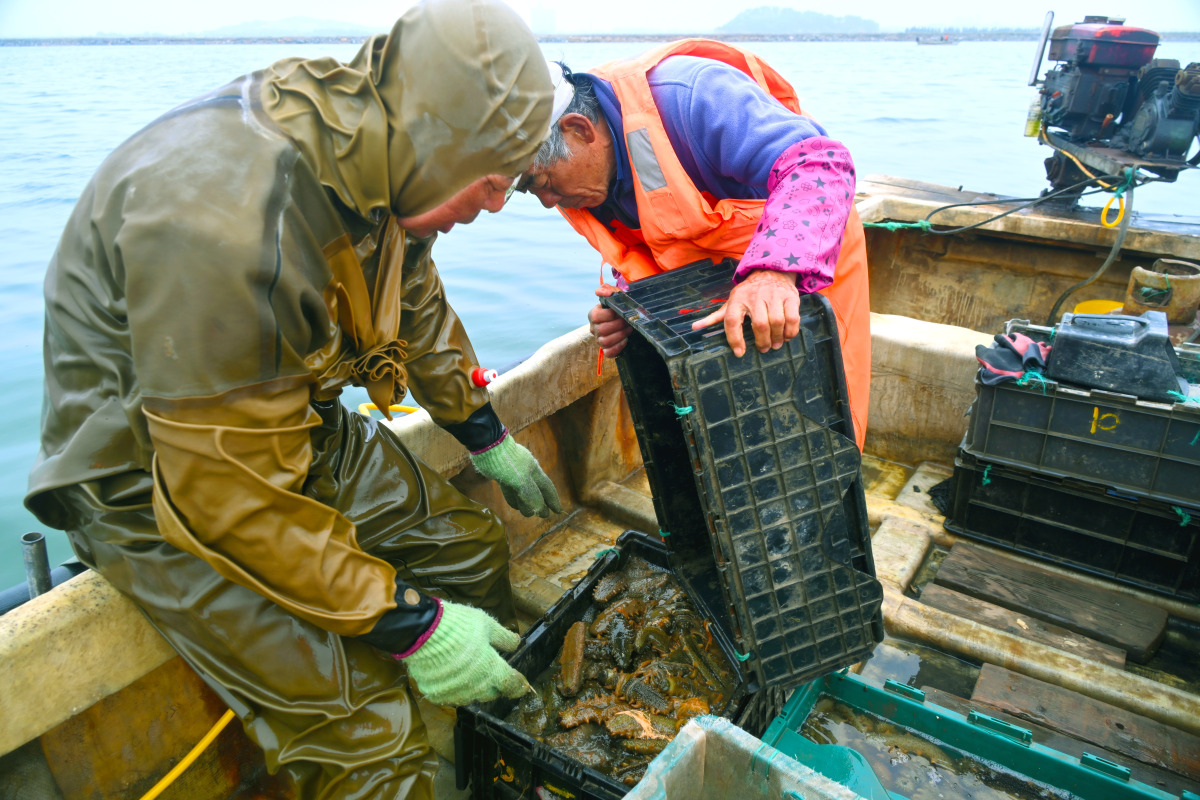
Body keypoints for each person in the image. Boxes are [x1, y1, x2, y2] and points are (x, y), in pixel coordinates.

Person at [24, 1, 565, 797]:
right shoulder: (228, 220)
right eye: (489, 180)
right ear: (437, 143)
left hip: (289, 421)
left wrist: (483, 432)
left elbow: (411, 296)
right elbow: (226, 495)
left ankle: (491, 728)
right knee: (366, 734)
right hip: (153, 482)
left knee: (470, 549)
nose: (493, 203)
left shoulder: (385, 157)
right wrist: (414, 626)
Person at [515, 41, 871, 448]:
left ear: (579, 130)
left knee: (823, 423)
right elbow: (656, 244)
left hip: (801, 270)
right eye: (530, 190)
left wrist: (772, 273)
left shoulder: (694, 96)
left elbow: (820, 163)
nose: (547, 200)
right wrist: (634, 311)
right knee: (728, 441)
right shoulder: (581, 183)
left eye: (540, 181)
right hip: (707, 299)